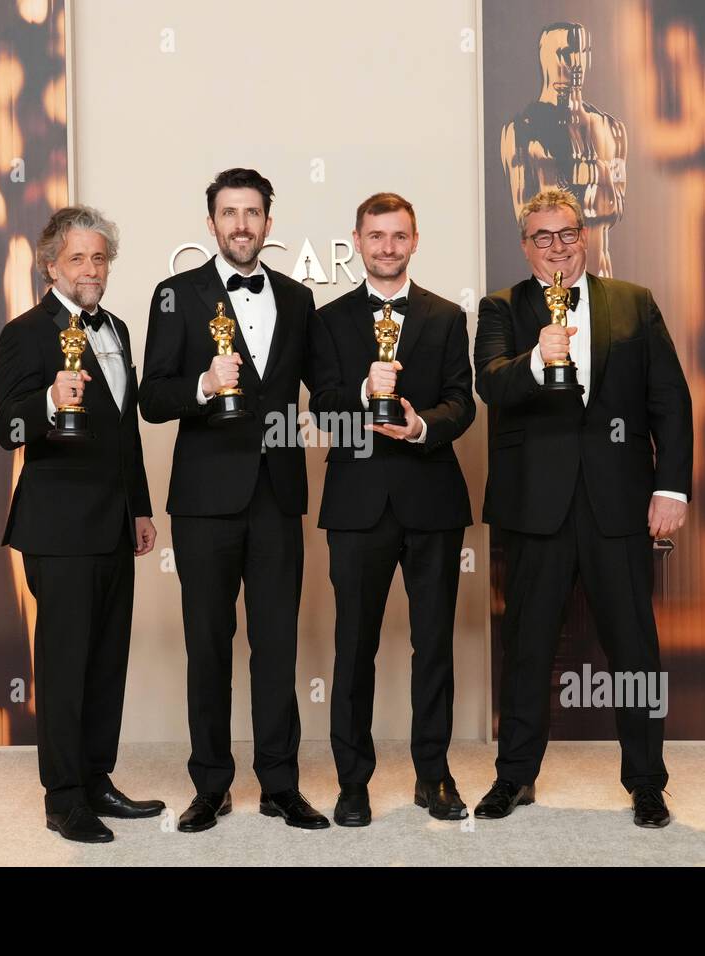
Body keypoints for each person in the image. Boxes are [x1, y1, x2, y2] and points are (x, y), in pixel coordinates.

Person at [473, 187, 692, 827]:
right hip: (536, 508)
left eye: (567, 233)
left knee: (634, 649)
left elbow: (670, 402)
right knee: (527, 647)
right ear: (525, 245)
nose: (557, 247)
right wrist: (538, 358)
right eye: (542, 238)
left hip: (619, 504)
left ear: (584, 235)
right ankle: (514, 778)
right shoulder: (500, 309)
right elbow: (491, 384)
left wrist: (670, 488)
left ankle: (647, 783)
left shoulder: (634, 302)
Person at [138, 169, 328, 832]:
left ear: (269, 224)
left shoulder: (299, 300)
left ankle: (280, 784)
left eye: (252, 213)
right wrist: (200, 383)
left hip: (278, 497)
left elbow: (324, 387)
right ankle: (212, 785)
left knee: (277, 646)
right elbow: (151, 398)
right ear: (212, 223)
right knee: (208, 645)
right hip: (204, 501)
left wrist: (337, 417)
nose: (242, 224)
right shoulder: (175, 295)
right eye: (229, 213)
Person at [0, 206, 162, 843]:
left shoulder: (116, 326)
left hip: (116, 525)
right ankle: (63, 798)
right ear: (50, 265)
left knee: (106, 662)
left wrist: (140, 508)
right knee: (65, 666)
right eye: (79, 259)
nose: (92, 269)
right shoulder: (25, 333)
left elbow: (127, 433)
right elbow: (3, 427)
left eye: (100, 259)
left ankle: (96, 780)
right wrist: (45, 404)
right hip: (58, 530)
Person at [308, 193, 475, 825]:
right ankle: (354, 783)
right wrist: (361, 394)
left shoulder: (445, 317)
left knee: (433, 645)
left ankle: (433, 775)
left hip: (432, 498)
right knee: (355, 647)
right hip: (356, 504)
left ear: (414, 240)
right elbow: (322, 407)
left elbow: (463, 404)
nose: (386, 246)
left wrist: (419, 425)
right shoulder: (328, 320)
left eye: (398, 236)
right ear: (357, 240)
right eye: (375, 236)